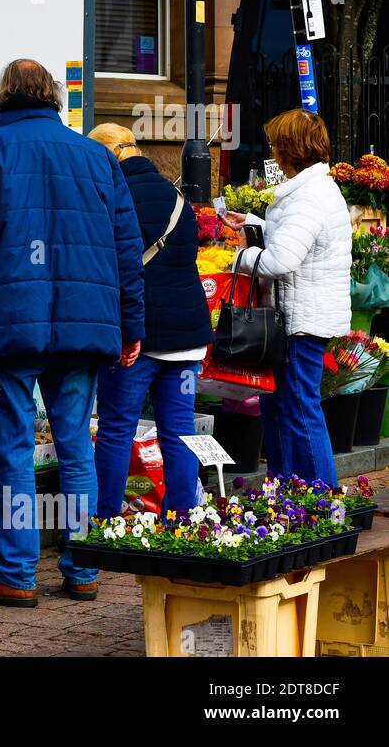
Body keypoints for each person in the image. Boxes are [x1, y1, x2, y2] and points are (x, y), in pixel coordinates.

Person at [0, 60, 145, 607]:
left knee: (13, 449)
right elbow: (128, 250)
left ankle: (15, 572)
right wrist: (132, 323)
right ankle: (82, 569)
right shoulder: (98, 156)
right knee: (77, 448)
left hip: (13, 326)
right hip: (84, 326)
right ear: (53, 97)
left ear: (1, 97)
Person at [88, 124, 214, 519]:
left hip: (137, 338)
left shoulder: (110, 197)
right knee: (179, 432)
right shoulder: (176, 197)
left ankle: (105, 519)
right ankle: (181, 520)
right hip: (187, 338)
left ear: (107, 156)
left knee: (116, 429)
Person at [221, 110, 351, 486]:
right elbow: (297, 240)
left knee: (297, 408)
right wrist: (254, 222)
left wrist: (238, 258)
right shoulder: (313, 191)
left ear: (291, 148)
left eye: (277, 142)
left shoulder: (308, 198)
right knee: (280, 406)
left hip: (302, 323)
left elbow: (281, 260)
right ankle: (288, 491)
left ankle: (319, 499)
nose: (273, 149)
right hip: (299, 317)